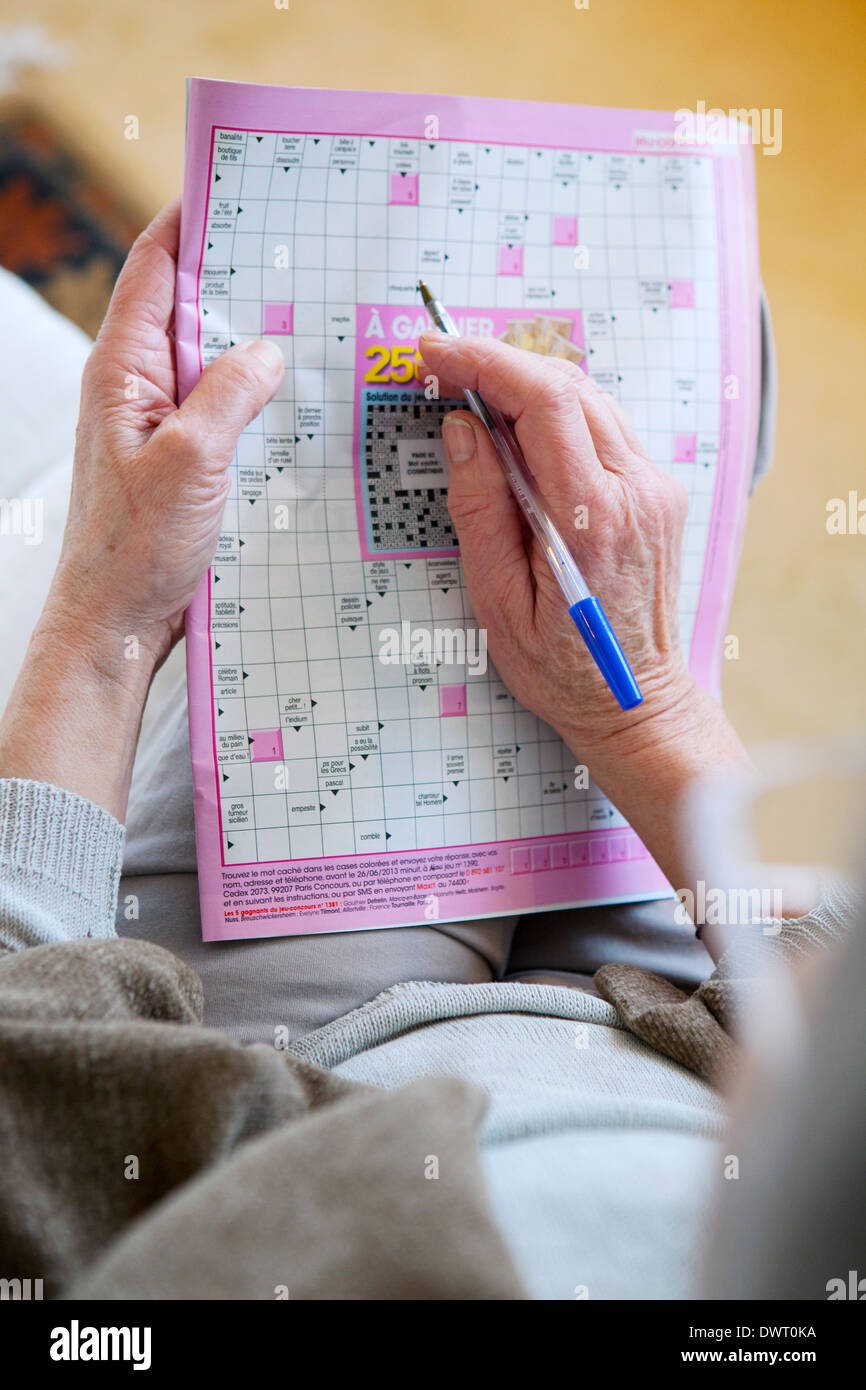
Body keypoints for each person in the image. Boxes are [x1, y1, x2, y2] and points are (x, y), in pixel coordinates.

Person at [0, 203, 856, 1300]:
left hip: (286, 1081)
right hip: (695, 1046)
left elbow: (31, 1093)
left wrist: (104, 614)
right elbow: (838, 1052)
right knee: (711, 323)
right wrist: (648, 713)